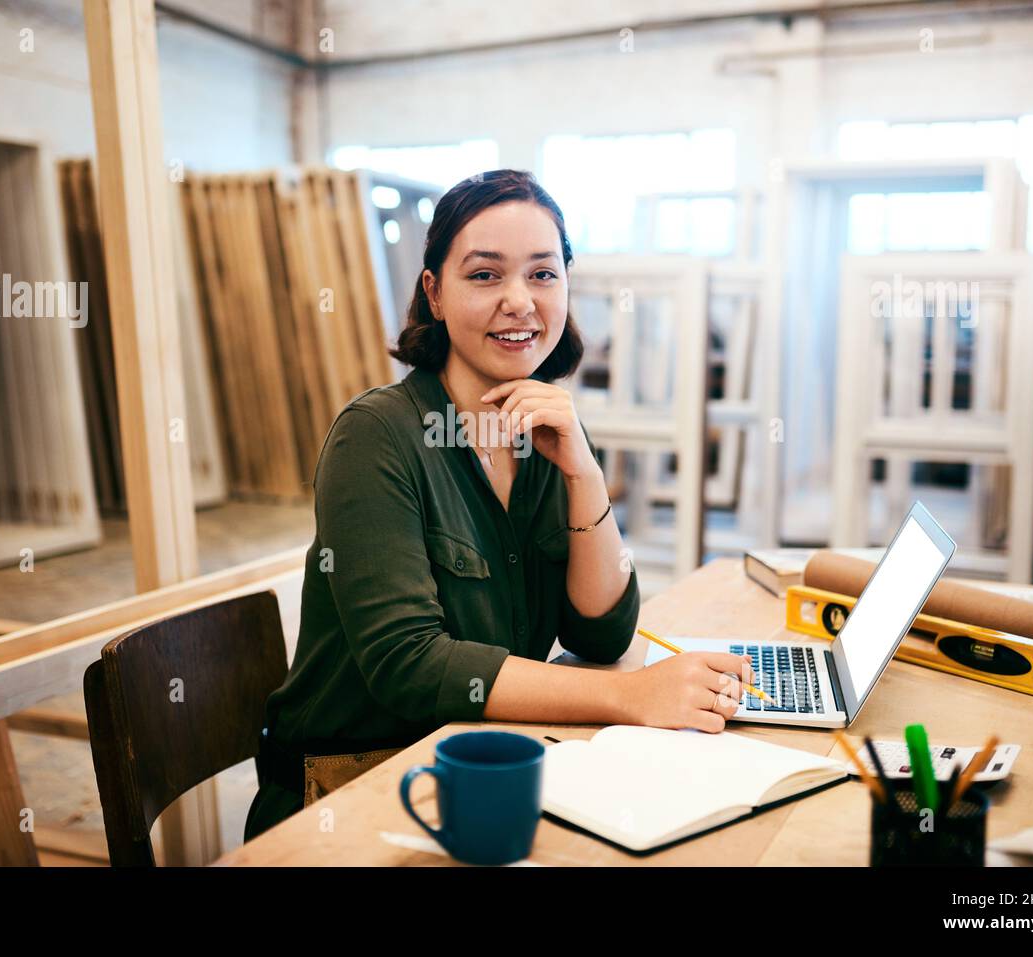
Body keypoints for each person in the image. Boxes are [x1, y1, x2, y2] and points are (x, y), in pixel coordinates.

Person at [244, 169, 753, 840]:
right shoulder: (378, 436)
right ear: (435, 292)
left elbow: (599, 633)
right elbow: (409, 662)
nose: (520, 300)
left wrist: (584, 473)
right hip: (353, 793)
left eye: (543, 274)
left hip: (485, 764)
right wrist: (631, 697)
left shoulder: (547, 423)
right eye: (486, 276)